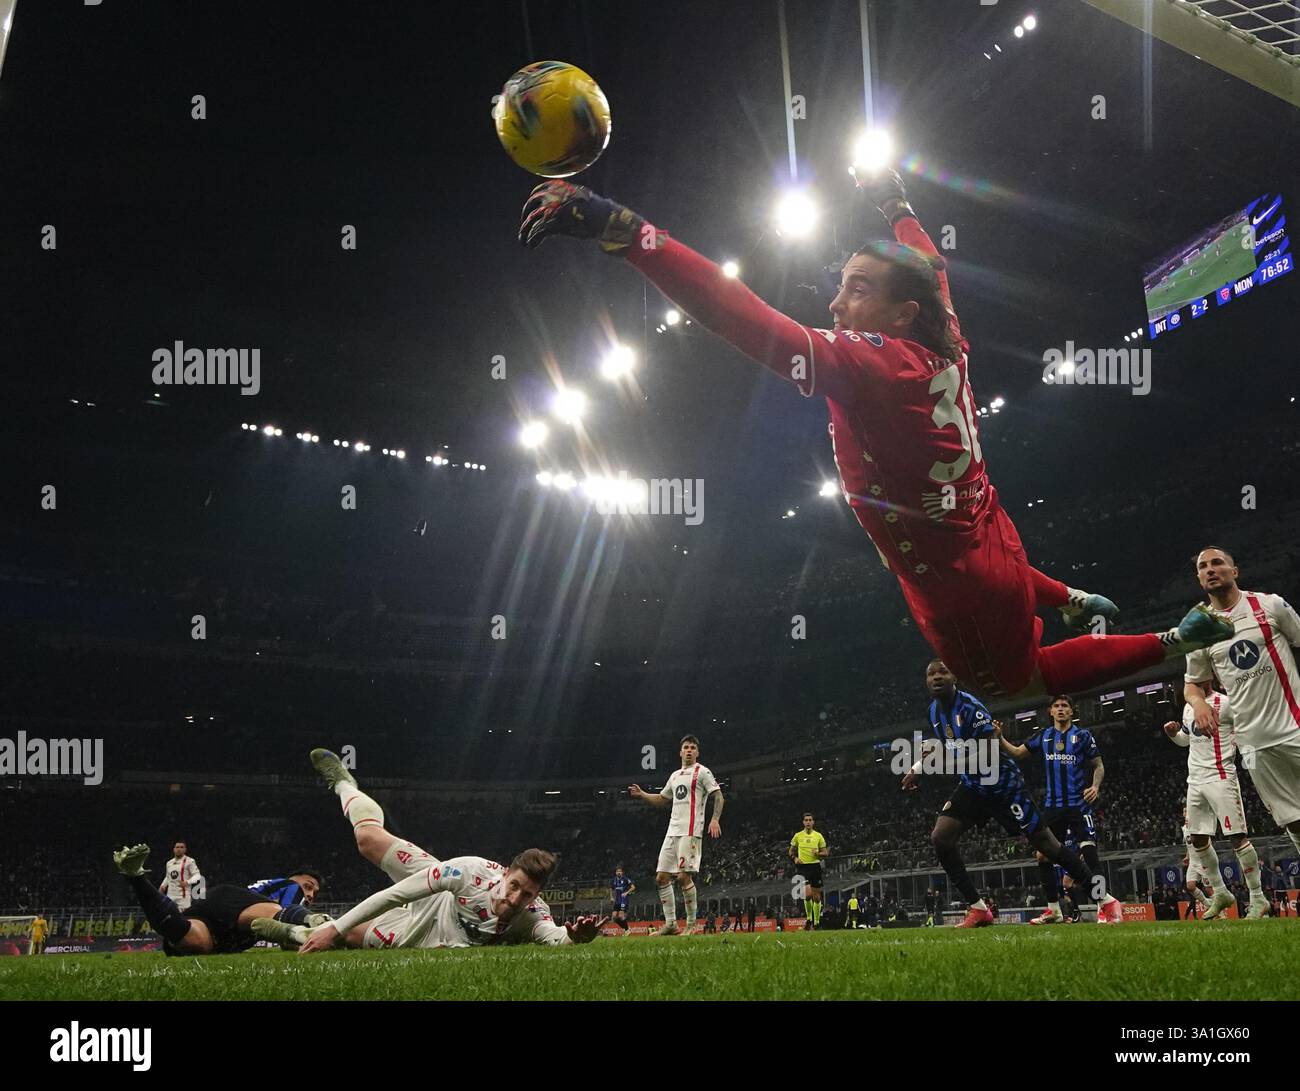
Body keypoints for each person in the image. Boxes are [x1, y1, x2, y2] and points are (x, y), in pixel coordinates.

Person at [518, 175, 1233, 702]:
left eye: (857, 288)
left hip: (963, 589)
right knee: (1020, 649)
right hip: (988, 544)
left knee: (1020, 689)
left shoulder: (873, 363)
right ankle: (1083, 601)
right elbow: (934, 263)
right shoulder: (943, 336)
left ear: (901, 311)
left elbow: (751, 321)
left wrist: (630, 232)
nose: (835, 301)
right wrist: (899, 209)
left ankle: (1170, 639)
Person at [262, 750, 602, 952]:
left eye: (526, 895)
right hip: (436, 897)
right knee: (367, 839)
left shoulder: (532, 914)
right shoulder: (468, 872)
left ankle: (303, 929)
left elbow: (555, 936)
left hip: (423, 935)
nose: (515, 900)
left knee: (348, 935)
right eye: (514, 886)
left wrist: (578, 937)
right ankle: (343, 783)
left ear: (537, 897)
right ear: (504, 874)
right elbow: (397, 893)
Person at [903, 660, 1124, 927]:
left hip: (1004, 786)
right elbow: (947, 742)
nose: (937, 677)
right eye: (931, 674)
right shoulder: (933, 712)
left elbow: (985, 753)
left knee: (1048, 846)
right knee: (941, 837)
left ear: (955, 677)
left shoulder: (972, 708)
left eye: (943, 672)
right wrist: (918, 765)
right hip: (973, 786)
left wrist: (935, 764)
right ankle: (978, 909)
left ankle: (1106, 900)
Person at [1183, 548, 1300, 872]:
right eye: (1203, 566)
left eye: (1217, 563)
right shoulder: (1200, 630)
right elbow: (1192, 684)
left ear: (1235, 570)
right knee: (1293, 819)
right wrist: (1199, 702)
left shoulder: (1269, 605)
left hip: (1295, 725)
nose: (1210, 570)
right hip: (1253, 744)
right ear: (1198, 579)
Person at [994, 695, 1106, 924]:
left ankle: (1102, 905)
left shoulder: (1083, 736)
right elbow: (1017, 752)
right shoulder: (1044, 736)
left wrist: (1095, 786)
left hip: (1078, 804)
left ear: (1072, 711)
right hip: (1053, 806)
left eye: (1065, 706)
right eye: (1057, 706)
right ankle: (1053, 909)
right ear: (1050, 711)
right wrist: (1000, 738)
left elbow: (1098, 765)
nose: (1061, 709)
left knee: (1091, 854)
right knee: (1042, 855)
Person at [1164, 679, 1268, 918]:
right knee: (1198, 838)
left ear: (1209, 676)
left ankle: (1258, 897)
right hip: (1195, 781)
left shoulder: (1227, 704)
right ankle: (1221, 893)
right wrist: (1174, 734)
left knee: (1236, 837)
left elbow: (1246, 733)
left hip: (1221, 777)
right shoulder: (1189, 706)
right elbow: (1187, 740)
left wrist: (1251, 765)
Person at [113, 844, 328, 956]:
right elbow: (289, 907)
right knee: (275, 911)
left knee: (193, 941)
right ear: (296, 878)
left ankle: (136, 878)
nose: (309, 894)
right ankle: (318, 924)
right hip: (239, 908)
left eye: (314, 894)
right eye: (308, 886)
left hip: (215, 919)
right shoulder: (290, 885)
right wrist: (308, 919)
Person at [629, 735, 723, 936]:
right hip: (672, 831)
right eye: (686, 747)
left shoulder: (703, 772)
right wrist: (643, 794)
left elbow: (718, 795)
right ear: (680, 752)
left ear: (697, 752)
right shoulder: (675, 776)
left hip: (690, 831)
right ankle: (671, 924)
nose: (689, 751)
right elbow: (662, 799)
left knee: (683, 876)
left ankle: (691, 925)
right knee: (661, 877)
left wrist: (714, 819)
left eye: (692, 748)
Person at [789, 812, 829, 929]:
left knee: (816, 897)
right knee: (807, 895)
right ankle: (809, 920)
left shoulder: (818, 836)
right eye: (806, 820)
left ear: (813, 822)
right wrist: (795, 858)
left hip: (815, 867)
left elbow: (825, 853)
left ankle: (816, 922)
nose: (808, 822)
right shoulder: (797, 836)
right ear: (803, 822)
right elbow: (791, 851)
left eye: (810, 820)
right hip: (803, 868)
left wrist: (818, 853)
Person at [159, 841, 203, 910]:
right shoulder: (169, 863)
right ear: (174, 849)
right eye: (177, 847)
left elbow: (197, 876)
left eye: (181, 847)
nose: (179, 849)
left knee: (184, 918)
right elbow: (168, 876)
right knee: (169, 917)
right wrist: (163, 886)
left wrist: (187, 882)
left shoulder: (189, 861)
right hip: (170, 896)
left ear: (185, 850)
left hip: (183, 897)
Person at [247, 870, 324, 910]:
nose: (311, 895)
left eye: (315, 894)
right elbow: (286, 918)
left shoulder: (267, 887)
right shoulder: (293, 885)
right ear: (294, 879)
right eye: (307, 887)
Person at [609, 866, 636, 934]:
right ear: (615, 873)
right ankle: (626, 928)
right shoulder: (613, 880)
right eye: (617, 871)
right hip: (617, 900)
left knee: (621, 915)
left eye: (620, 871)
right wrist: (611, 897)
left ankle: (627, 930)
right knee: (614, 917)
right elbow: (611, 889)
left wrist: (626, 893)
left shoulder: (625, 879)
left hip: (623, 900)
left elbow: (633, 887)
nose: (619, 872)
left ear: (622, 872)